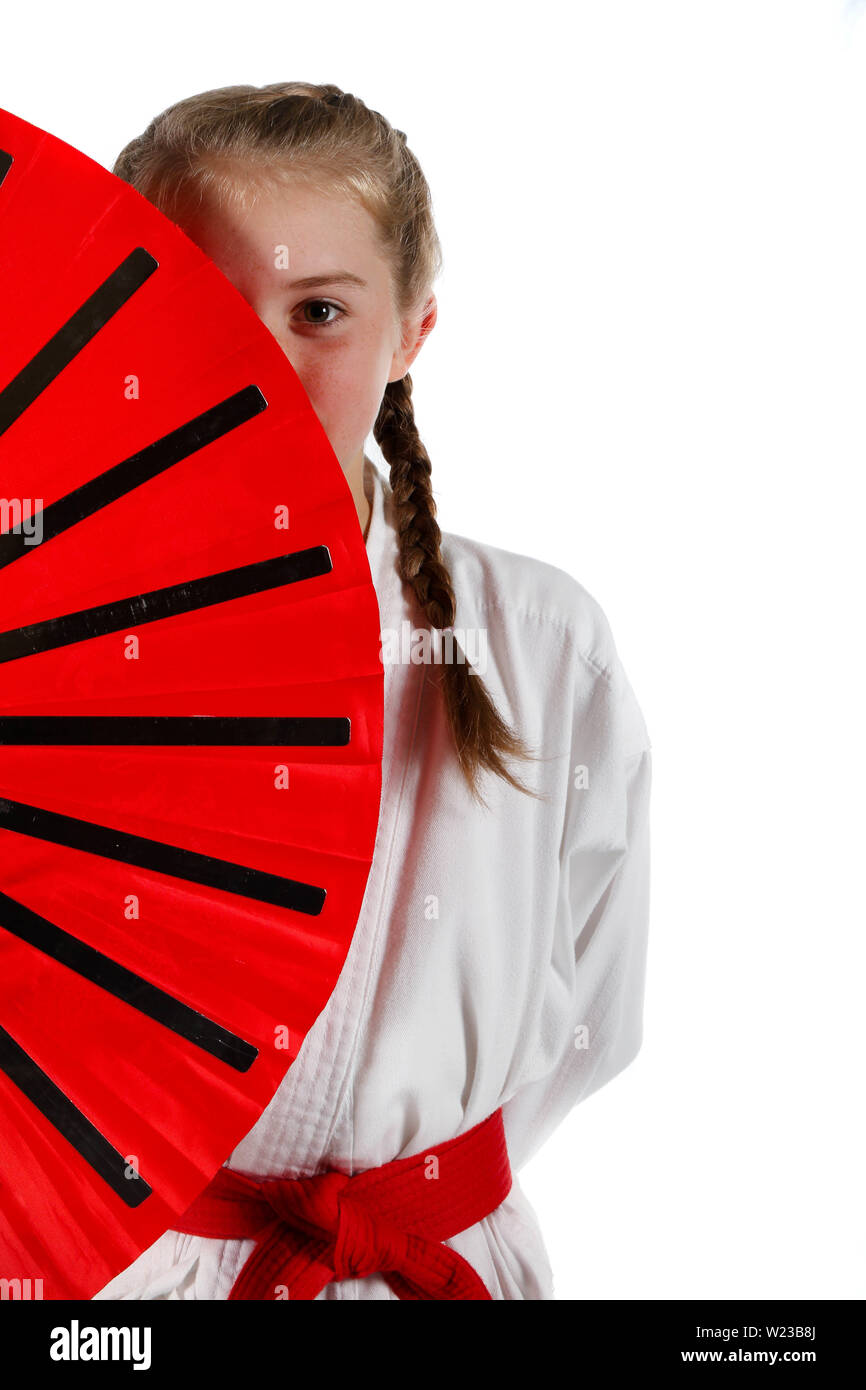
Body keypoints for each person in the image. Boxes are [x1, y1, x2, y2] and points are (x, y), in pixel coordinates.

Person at [94, 81, 652, 1301]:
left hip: (422, 1263)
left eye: (320, 311)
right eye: (197, 299)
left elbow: (592, 1017)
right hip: (128, 1277)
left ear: (411, 336)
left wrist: (405, 1189)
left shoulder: (544, 646)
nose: (253, 356)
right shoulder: (51, 639)